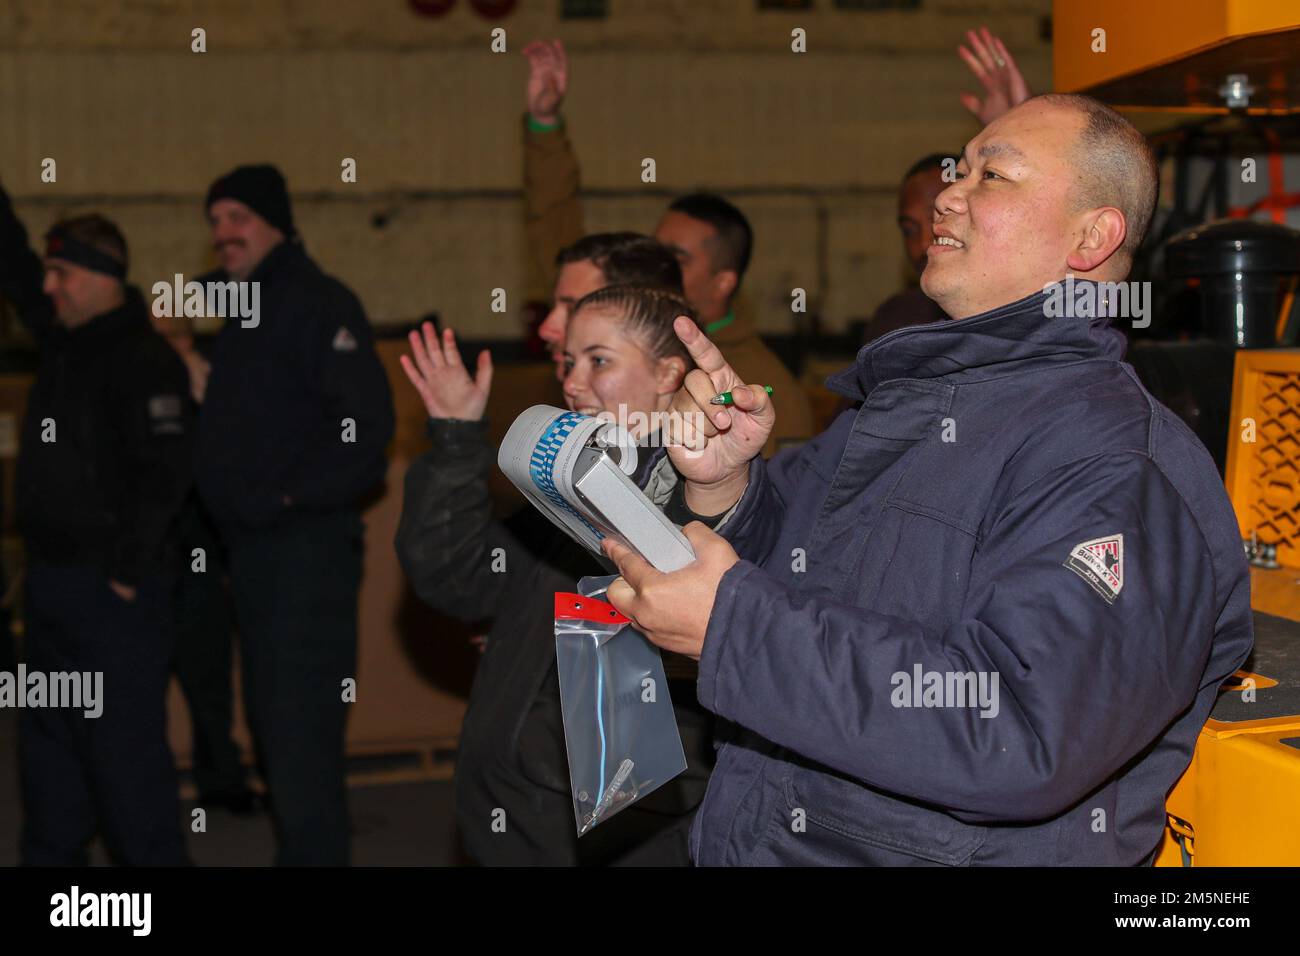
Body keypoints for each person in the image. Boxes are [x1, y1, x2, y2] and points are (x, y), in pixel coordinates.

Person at [598, 94, 1254, 866]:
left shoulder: (1116, 466)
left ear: (1091, 236)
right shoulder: (912, 404)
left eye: (993, 176)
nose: (948, 192)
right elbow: (801, 575)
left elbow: (1019, 727)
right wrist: (727, 488)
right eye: (958, 169)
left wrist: (735, 630)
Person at [396, 284, 716, 866]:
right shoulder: (572, 486)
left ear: (669, 373)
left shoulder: (713, 499)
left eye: (599, 360)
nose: (571, 381)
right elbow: (459, 581)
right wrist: (455, 435)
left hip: (620, 829)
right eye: (567, 362)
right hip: (515, 812)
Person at [194, 164, 395, 865]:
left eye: (238, 218)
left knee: (300, 734)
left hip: (301, 557)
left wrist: (285, 499)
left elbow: (365, 432)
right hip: (256, 555)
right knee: (279, 732)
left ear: (277, 222)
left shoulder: (315, 303)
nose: (223, 234)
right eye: (215, 221)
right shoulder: (248, 306)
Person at [0, 180, 192, 865]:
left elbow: (166, 476)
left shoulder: (144, 361)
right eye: (50, 272)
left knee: (125, 773)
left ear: (106, 277)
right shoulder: (62, 341)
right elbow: (17, 266)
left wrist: (123, 574)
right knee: (49, 770)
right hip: (52, 592)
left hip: (113, 604)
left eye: (64, 273)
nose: (49, 287)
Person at [521, 39, 815, 455]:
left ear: (722, 283)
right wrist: (544, 126)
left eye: (677, 257)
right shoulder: (615, 342)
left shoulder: (760, 390)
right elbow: (560, 236)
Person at [149, 309, 259, 816]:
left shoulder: (207, 383)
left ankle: (222, 779)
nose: (165, 347)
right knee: (141, 685)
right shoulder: (136, 385)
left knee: (208, 680)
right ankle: (144, 787)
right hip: (144, 559)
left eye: (174, 335)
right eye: (157, 337)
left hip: (198, 558)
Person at [863, 27, 1032, 345]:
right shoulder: (896, 320)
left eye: (937, 215)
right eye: (910, 230)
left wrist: (1022, 132)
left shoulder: (1020, 311)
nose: (925, 242)